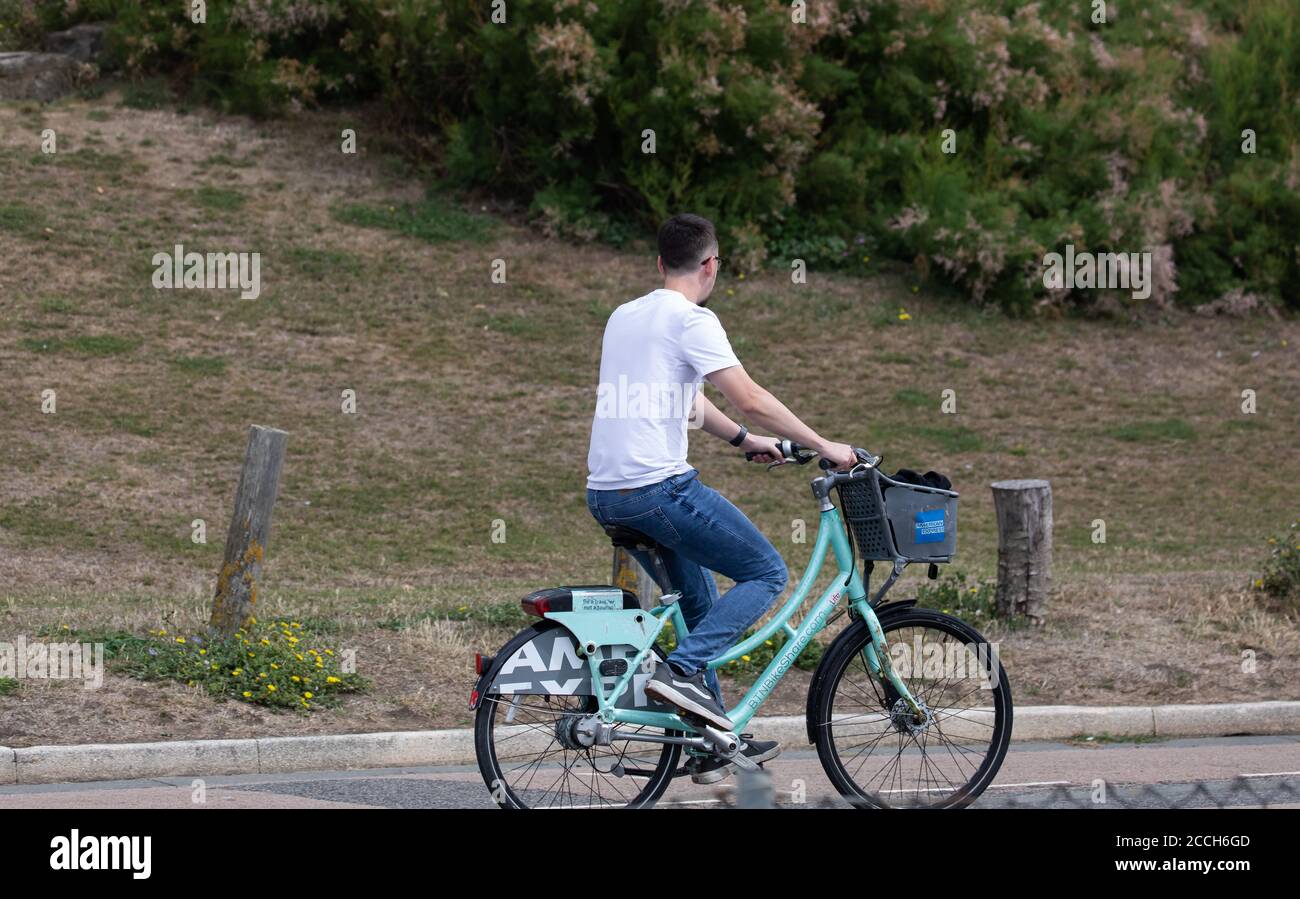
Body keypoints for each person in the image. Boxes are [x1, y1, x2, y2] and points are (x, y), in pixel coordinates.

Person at [585, 213, 856, 783]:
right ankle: (681, 673)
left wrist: (745, 440)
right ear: (711, 266)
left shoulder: (624, 317)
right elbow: (751, 396)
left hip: (607, 494)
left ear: (661, 264)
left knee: (699, 605)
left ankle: (707, 741)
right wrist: (825, 444)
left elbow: (686, 400)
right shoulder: (692, 320)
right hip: (657, 491)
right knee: (765, 572)